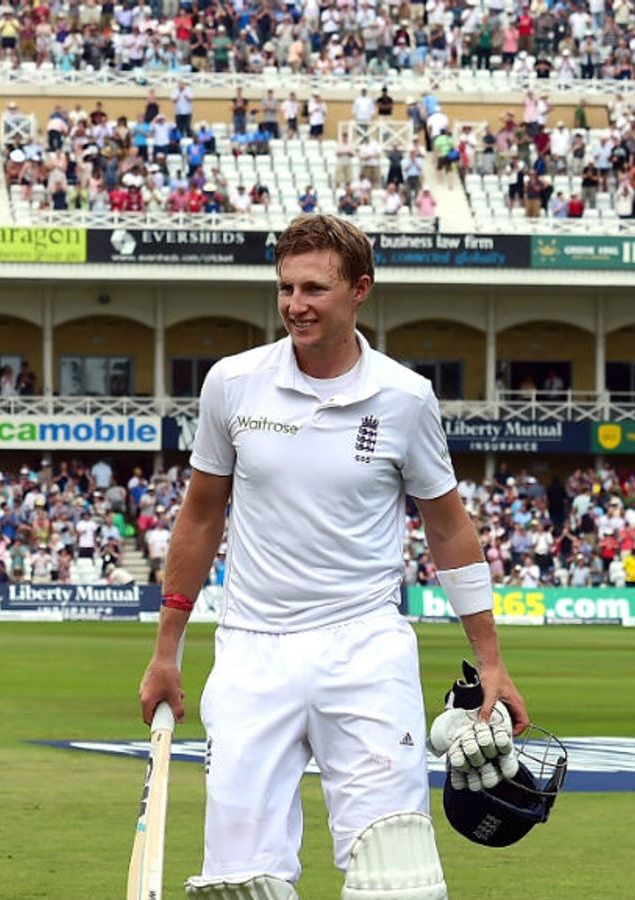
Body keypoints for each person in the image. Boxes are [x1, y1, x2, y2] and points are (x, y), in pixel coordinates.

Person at [138, 215, 530, 899]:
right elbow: (200, 516)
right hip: (251, 651)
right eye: (285, 288)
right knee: (240, 883)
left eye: (314, 289)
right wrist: (166, 651)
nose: (296, 305)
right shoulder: (233, 383)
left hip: (365, 650)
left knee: (398, 880)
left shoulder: (405, 397)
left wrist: (490, 659)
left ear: (359, 290)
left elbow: (448, 529)